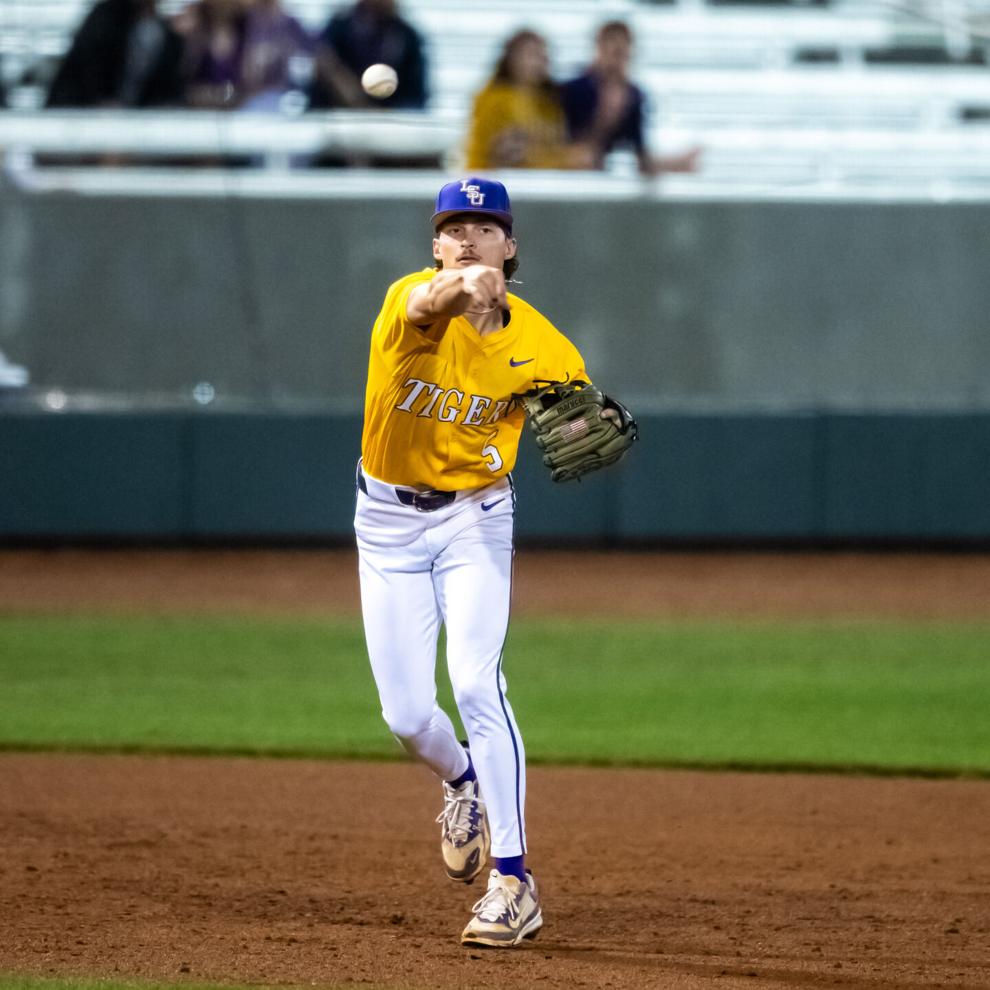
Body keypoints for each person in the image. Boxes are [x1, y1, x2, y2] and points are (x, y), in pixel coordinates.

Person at [354, 177, 593, 948]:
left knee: (474, 683)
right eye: (452, 226)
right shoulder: (410, 304)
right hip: (386, 523)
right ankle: (463, 782)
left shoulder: (544, 345)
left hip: (475, 519)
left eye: (483, 227)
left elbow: (579, 414)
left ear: (510, 244)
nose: (466, 236)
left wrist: (581, 414)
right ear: (435, 244)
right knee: (405, 717)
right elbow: (434, 302)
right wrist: (463, 287)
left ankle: (514, 883)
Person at [561, 20, 701, 176]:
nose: (617, 59)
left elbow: (639, 154)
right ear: (599, 48)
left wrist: (674, 163)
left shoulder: (634, 95)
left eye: (622, 53)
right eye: (613, 51)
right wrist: (605, 117)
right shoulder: (574, 89)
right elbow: (567, 140)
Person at [465, 29, 590, 171]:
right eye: (532, 55)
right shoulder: (494, 100)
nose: (538, 62)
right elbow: (503, 155)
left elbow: (552, 149)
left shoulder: (548, 103)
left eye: (542, 56)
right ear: (512, 59)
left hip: (540, 178)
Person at [45, 0, 185, 108]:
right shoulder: (106, 17)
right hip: (81, 110)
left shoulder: (164, 31)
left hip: (132, 117)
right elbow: (87, 65)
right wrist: (101, 99)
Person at [309, 0, 426, 110]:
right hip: (337, 116)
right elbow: (319, 90)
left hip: (388, 120)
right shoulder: (338, 30)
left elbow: (414, 99)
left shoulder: (407, 37)